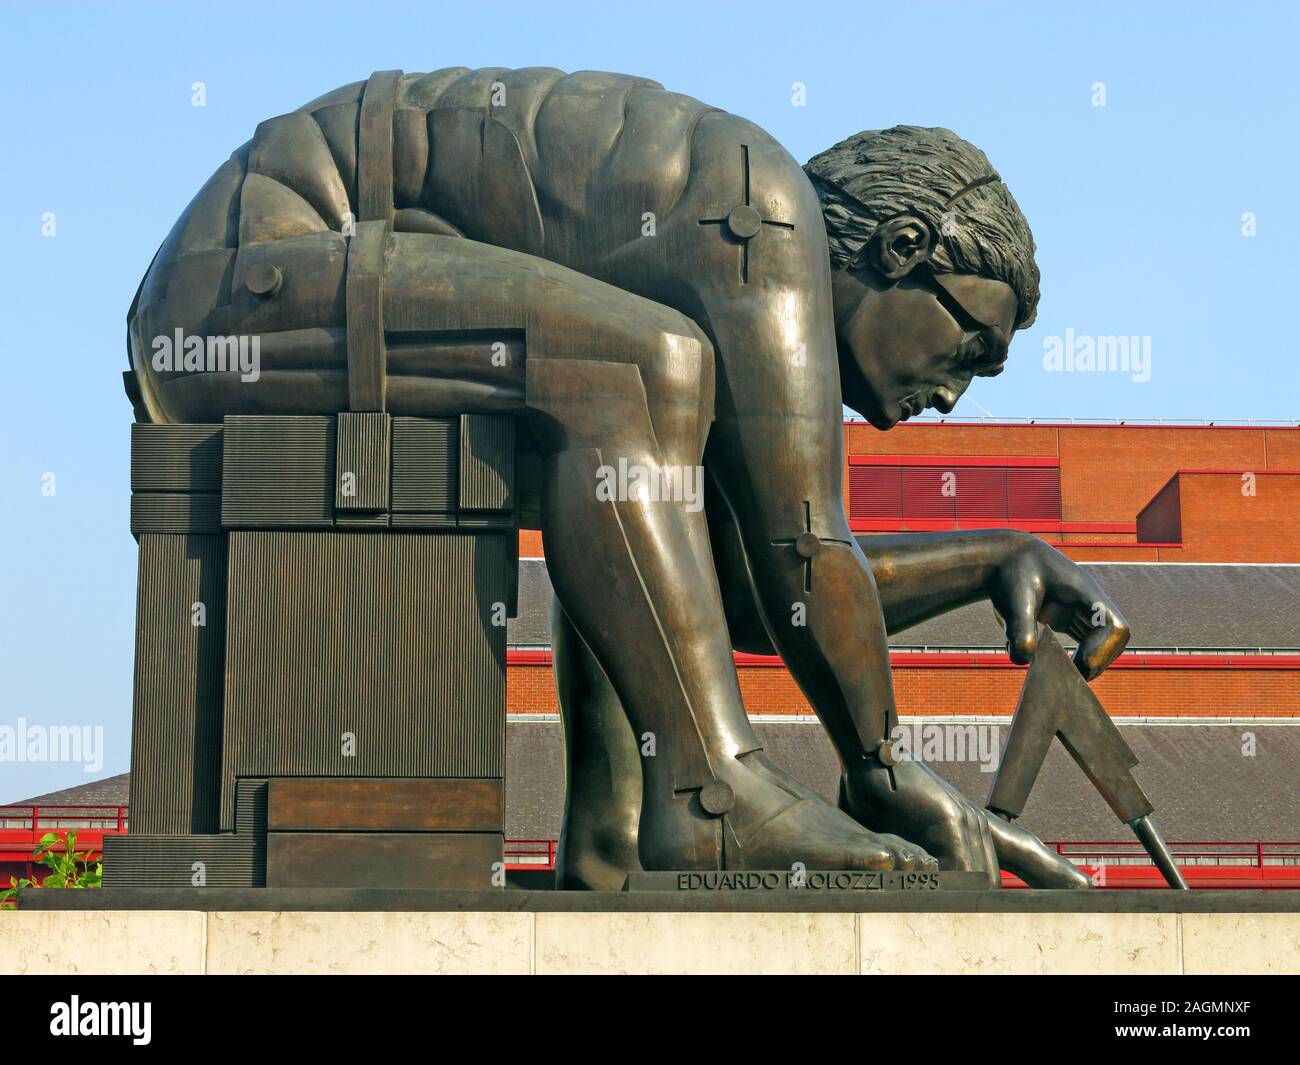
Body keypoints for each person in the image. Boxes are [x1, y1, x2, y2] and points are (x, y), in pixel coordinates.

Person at [128, 67, 1127, 887]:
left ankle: (609, 839)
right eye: (970, 349)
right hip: (237, 291)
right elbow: (802, 557)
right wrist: (880, 767)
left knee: (637, 464)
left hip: (276, 298)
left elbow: (733, 597)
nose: (952, 394)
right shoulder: (764, 216)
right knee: (638, 370)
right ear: (903, 248)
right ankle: (710, 799)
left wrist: (995, 556)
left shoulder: (726, 233)